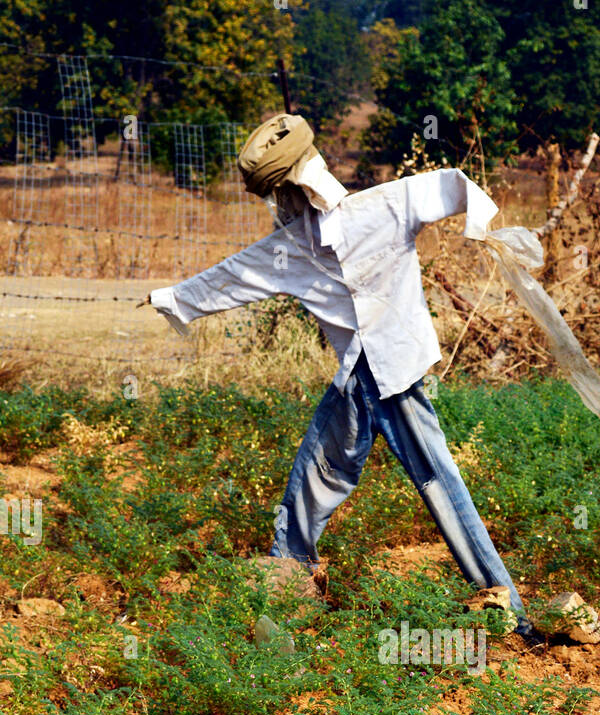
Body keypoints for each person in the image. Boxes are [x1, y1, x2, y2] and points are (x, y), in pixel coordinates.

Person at [144, 112, 541, 645]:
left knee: (440, 487)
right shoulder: (292, 247)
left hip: (395, 381)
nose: (285, 204)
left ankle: (509, 612)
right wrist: (174, 298)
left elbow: (452, 185)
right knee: (320, 469)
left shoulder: (384, 207)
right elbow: (233, 277)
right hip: (358, 376)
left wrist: (478, 226)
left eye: (284, 192)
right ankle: (289, 573)